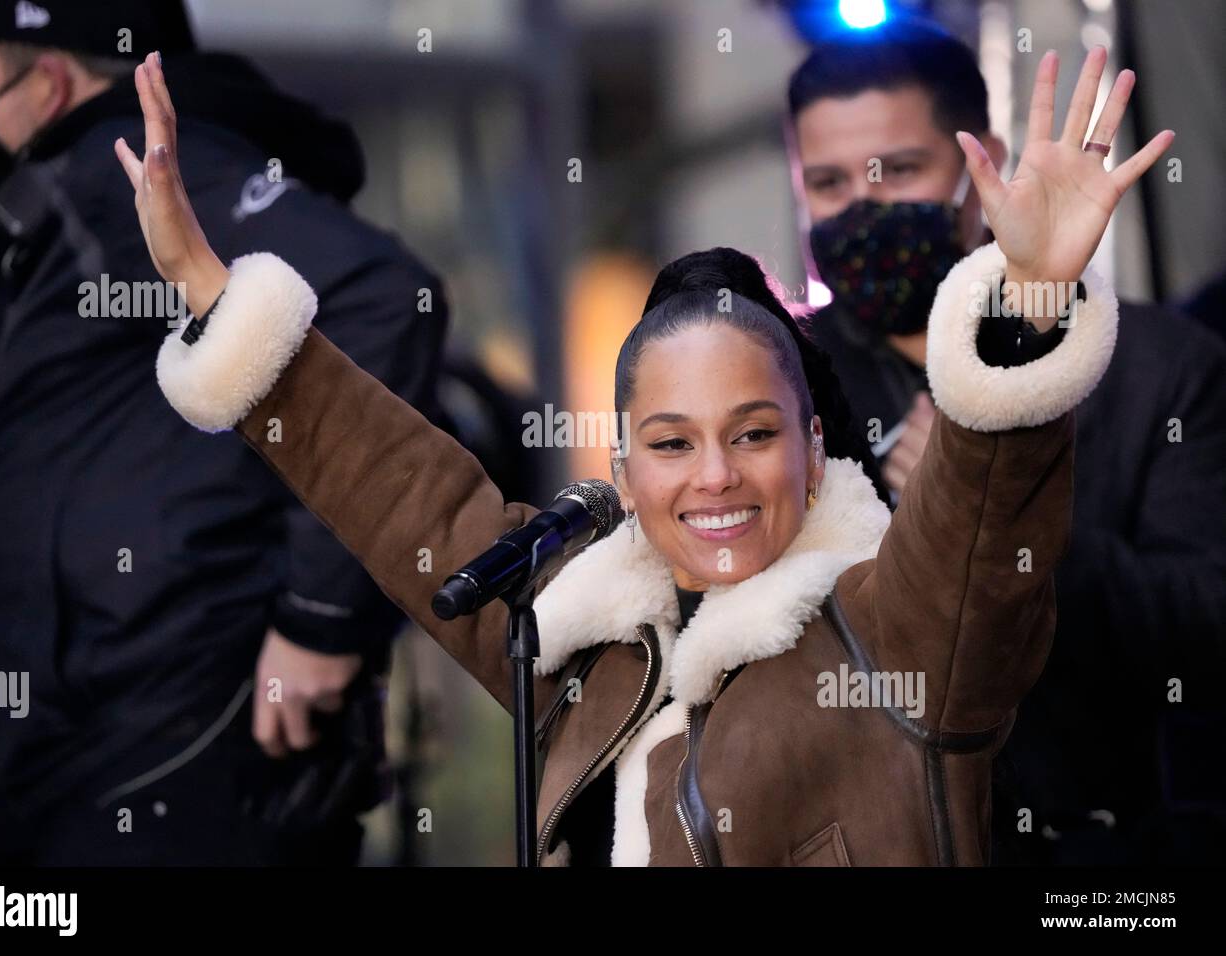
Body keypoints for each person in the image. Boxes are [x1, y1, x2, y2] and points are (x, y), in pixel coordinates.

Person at [116, 47, 1171, 865]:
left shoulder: (897, 626)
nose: (712, 474)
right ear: (621, 471)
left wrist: (1029, 299)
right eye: (670, 443)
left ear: (812, 448)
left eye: (753, 433)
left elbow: (988, 519)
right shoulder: (577, 638)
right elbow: (400, 490)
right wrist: (217, 297)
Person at [0, 0, 447, 863]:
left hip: (182, 739)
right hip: (105, 744)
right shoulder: (25, 219)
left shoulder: (123, 163)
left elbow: (384, 299)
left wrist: (322, 621)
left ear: (49, 79)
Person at [786, 22, 1226, 863]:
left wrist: (1002, 513)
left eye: (900, 169)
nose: (863, 208)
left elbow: (1206, 631)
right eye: (829, 182)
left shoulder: (1160, 371)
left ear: (980, 162)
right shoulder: (782, 380)